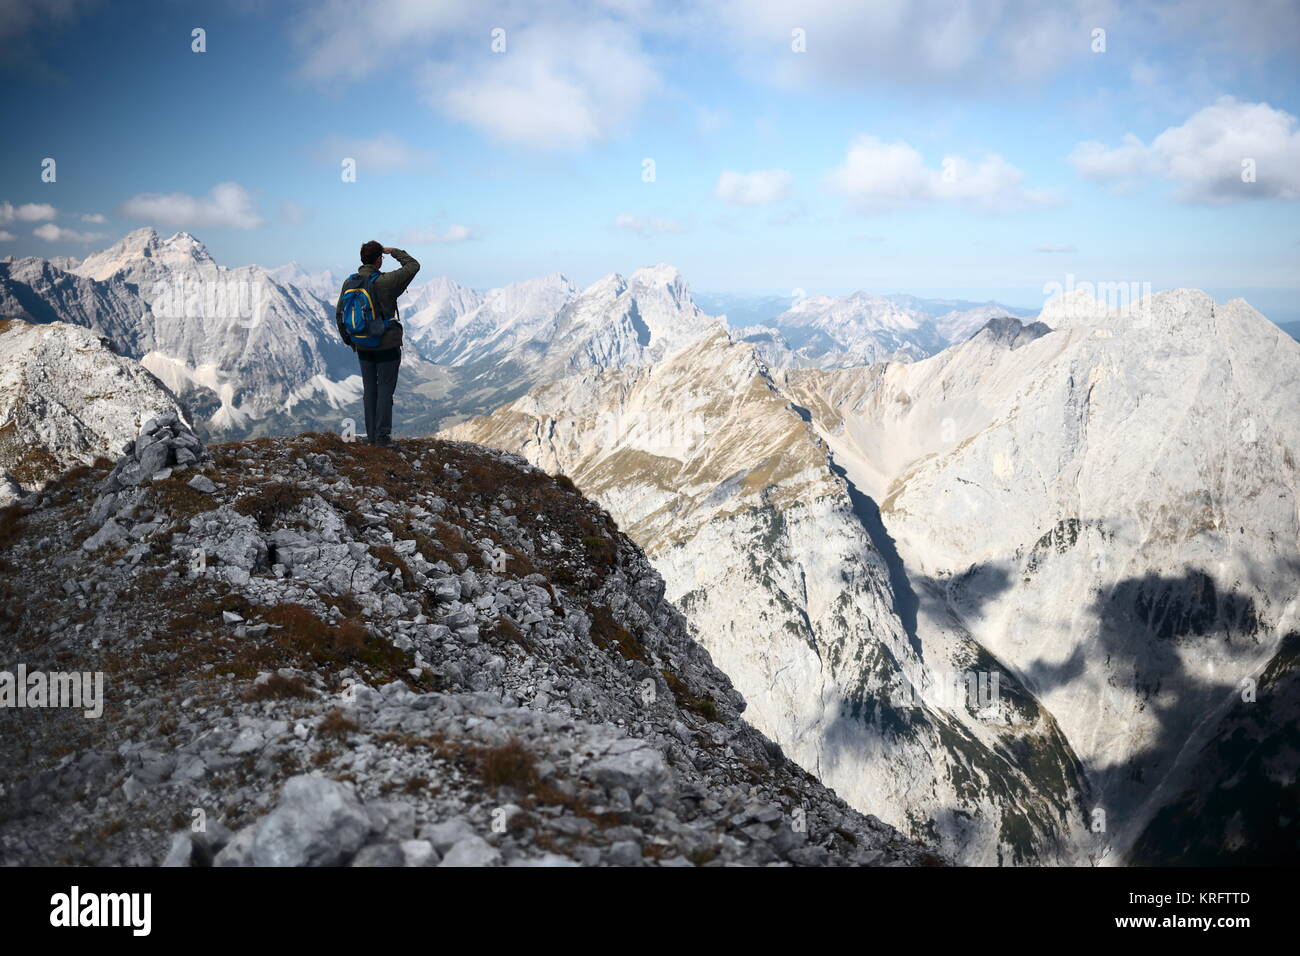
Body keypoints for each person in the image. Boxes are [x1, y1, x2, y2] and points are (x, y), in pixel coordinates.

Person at [335, 240, 420, 445]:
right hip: (387, 345)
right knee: (385, 391)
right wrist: (395, 252)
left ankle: (372, 437)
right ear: (379, 260)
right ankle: (382, 437)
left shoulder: (350, 282)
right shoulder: (386, 282)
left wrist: (351, 341)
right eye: (381, 256)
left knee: (369, 390)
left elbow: (340, 314)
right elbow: (413, 266)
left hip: (362, 344)